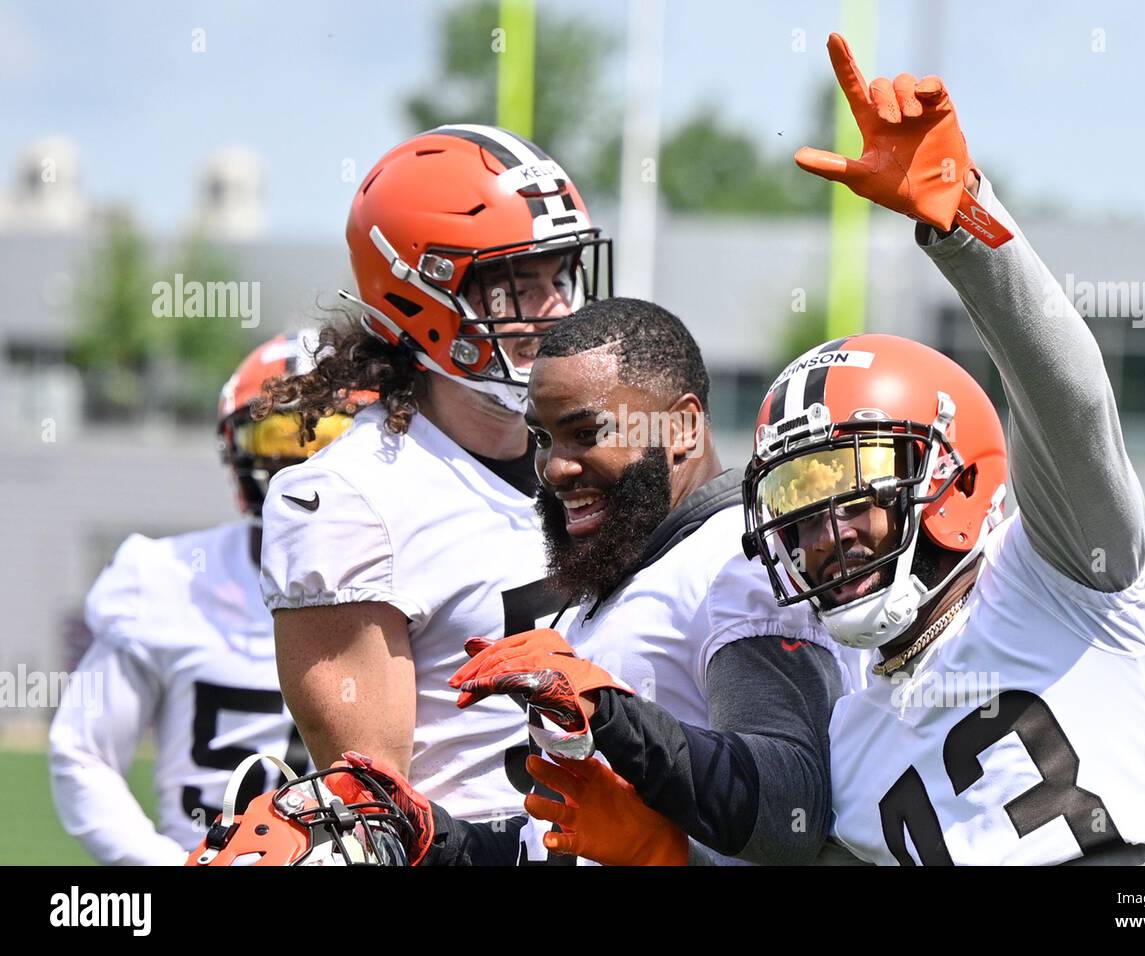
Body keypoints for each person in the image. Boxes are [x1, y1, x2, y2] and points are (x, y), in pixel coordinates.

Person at [739, 34, 1145, 864]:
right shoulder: (846, 741)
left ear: (951, 483)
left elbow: (1067, 393)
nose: (827, 538)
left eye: (853, 496)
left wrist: (964, 221)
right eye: (801, 515)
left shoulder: (1063, 572)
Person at [258, 125, 612, 826]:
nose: (558, 309)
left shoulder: (603, 453)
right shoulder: (349, 499)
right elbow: (381, 813)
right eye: (518, 284)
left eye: (559, 275)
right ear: (419, 294)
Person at [441, 297, 850, 866]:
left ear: (680, 426)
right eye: (542, 438)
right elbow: (579, 841)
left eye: (584, 431)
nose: (555, 467)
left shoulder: (737, 563)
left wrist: (608, 709)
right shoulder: (629, 564)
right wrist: (437, 843)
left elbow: (789, 810)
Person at [49, 330, 367, 865]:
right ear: (237, 448)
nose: (303, 463)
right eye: (278, 436)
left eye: (330, 436)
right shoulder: (165, 579)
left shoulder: (426, 576)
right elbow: (83, 754)